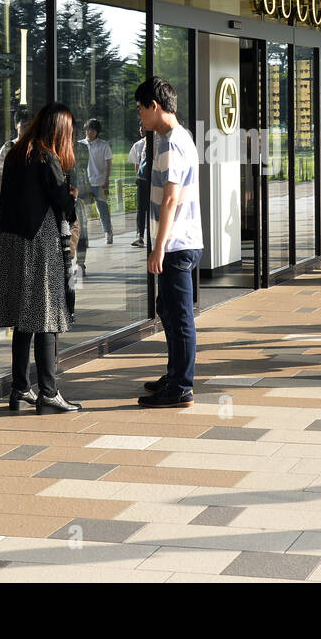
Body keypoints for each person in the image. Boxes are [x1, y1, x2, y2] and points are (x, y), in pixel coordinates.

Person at [0, 102, 82, 414]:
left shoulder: (16, 153)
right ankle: (49, 393)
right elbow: (62, 203)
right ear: (59, 131)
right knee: (47, 315)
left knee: (22, 319)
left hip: (11, 243)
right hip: (38, 243)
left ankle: (20, 388)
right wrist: (72, 198)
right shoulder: (46, 157)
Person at [135, 77, 203, 407]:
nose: (139, 117)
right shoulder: (173, 138)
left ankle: (181, 387)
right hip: (180, 242)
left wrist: (159, 246)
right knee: (169, 311)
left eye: (140, 109)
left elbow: (171, 199)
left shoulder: (173, 142)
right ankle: (175, 374)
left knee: (178, 317)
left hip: (177, 245)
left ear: (155, 106)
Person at [83, 118, 114, 244]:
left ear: (97, 132)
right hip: (85, 183)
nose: (90, 132)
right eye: (88, 129)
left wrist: (106, 180)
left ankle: (108, 232)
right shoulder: (80, 144)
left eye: (93, 129)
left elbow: (109, 163)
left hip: (99, 183)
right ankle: (83, 238)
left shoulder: (103, 145)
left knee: (102, 210)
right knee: (83, 213)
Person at [0, 106, 32, 209]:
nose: (28, 129)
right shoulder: (8, 147)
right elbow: (0, 175)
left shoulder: (39, 148)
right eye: (24, 126)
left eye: (30, 126)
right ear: (16, 125)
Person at [128, 131, 150, 247]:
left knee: (150, 209)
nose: (142, 129)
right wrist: (138, 176)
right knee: (141, 209)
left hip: (152, 180)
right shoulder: (140, 144)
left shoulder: (157, 140)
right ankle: (140, 235)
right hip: (142, 179)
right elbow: (138, 163)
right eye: (141, 126)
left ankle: (149, 236)